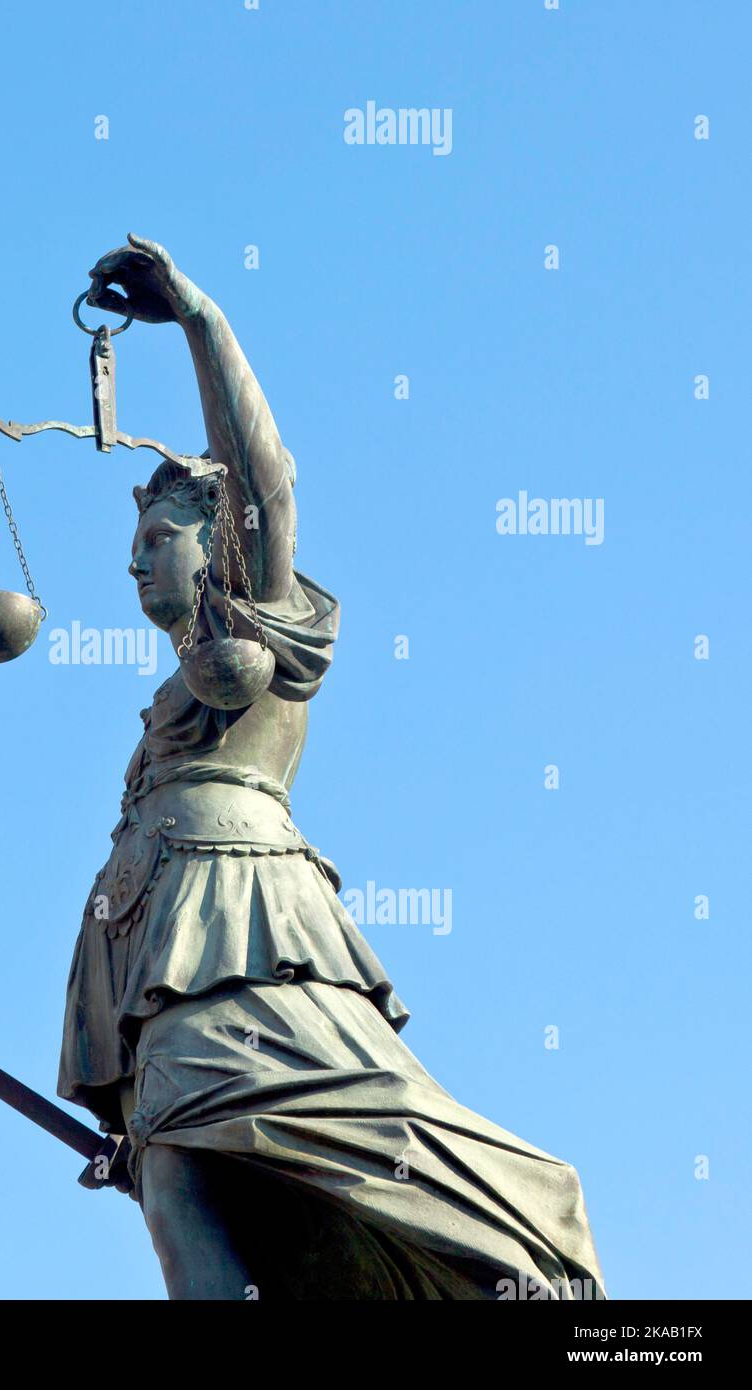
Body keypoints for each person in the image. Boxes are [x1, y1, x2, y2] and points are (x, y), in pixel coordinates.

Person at [56, 235, 607, 1300]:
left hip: (242, 930)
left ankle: (513, 1245)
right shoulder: (167, 700)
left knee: (306, 1130)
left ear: (213, 543)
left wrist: (200, 323)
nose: (133, 559)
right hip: (152, 947)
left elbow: (263, 480)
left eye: (158, 536)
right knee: (171, 1177)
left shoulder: (264, 630)